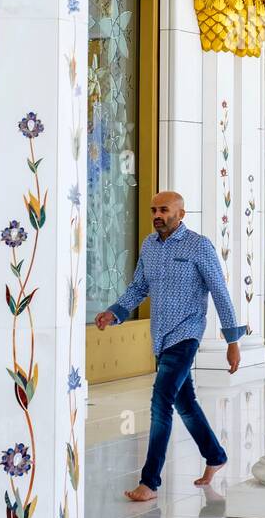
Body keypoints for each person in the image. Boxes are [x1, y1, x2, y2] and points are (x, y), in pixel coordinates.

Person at [95, 190, 247, 502]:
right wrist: (114, 312)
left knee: (160, 400)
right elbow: (139, 287)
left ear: (181, 212)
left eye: (164, 209)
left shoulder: (199, 246)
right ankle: (215, 456)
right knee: (185, 402)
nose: (157, 215)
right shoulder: (149, 246)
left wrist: (232, 341)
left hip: (187, 332)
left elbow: (219, 291)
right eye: (154, 210)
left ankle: (149, 482)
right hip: (160, 336)